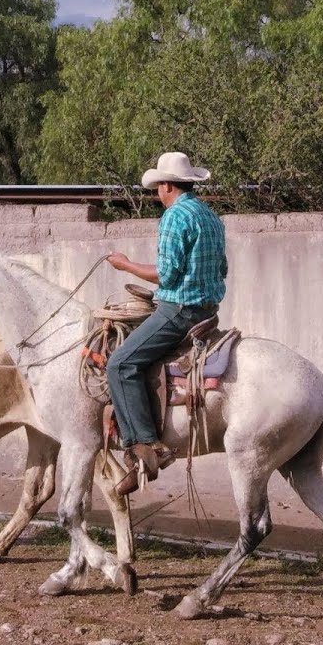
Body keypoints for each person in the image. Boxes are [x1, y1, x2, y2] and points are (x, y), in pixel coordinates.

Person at [105, 152, 228, 494]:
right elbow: (223, 269)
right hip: (207, 310)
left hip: (179, 311)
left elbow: (166, 274)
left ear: (167, 186)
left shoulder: (175, 217)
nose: (157, 192)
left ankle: (145, 446)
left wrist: (126, 265)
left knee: (120, 363)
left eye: (158, 186)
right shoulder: (211, 217)